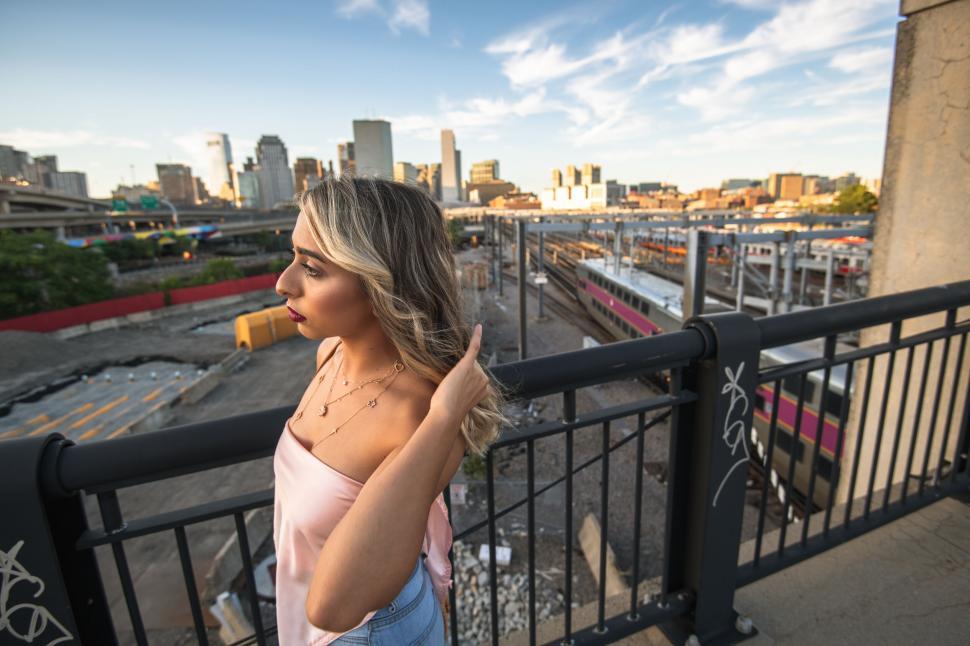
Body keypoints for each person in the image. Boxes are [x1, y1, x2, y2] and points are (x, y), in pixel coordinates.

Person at [272, 175, 511, 644]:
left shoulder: (420, 413)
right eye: (293, 257)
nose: (283, 283)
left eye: (312, 268)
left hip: (369, 631)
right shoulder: (329, 355)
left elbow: (332, 608)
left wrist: (443, 420)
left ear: (382, 282)